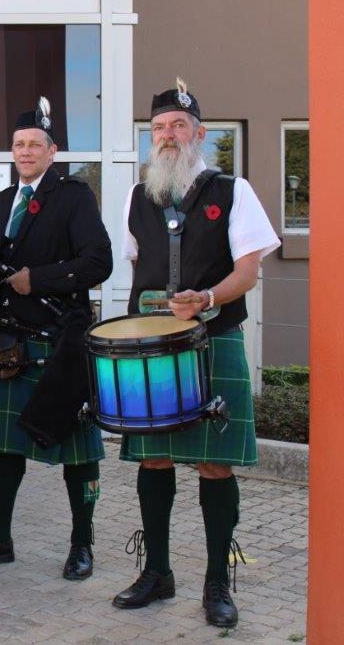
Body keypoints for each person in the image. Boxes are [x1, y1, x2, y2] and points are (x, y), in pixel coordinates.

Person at [111, 79, 279, 628]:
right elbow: (139, 270)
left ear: (198, 133)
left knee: (214, 462)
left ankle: (215, 582)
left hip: (214, 338)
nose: (166, 136)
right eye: (158, 128)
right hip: (152, 346)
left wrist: (206, 297)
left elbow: (249, 270)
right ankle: (157, 572)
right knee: (154, 457)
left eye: (177, 126)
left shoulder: (233, 190)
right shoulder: (138, 196)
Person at [0, 97, 112, 582]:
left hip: (59, 342)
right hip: (8, 344)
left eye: (34, 145)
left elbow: (98, 263)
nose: (25, 152)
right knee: (3, 450)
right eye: (18, 145)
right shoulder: (0, 202)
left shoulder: (74, 196)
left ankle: (82, 545)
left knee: (77, 455)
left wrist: (36, 279)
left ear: (52, 150)